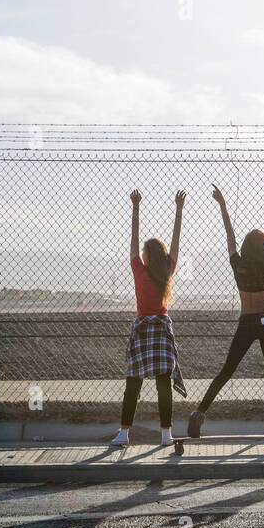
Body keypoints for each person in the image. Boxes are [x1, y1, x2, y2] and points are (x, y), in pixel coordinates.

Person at [186, 185, 264, 439]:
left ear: (246, 247)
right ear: (263, 247)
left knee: (227, 370)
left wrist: (222, 203)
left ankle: (198, 414)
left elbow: (230, 234)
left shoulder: (238, 263)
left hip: (246, 322)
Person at [112, 189, 187, 447]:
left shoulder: (138, 270)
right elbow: (176, 241)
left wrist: (135, 206)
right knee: (163, 384)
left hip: (144, 330)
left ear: (146, 255)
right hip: (161, 330)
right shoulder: (166, 270)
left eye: (143, 252)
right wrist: (179, 209)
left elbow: (133, 239)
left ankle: (124, 433)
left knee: (133, 384)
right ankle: (166, 434)